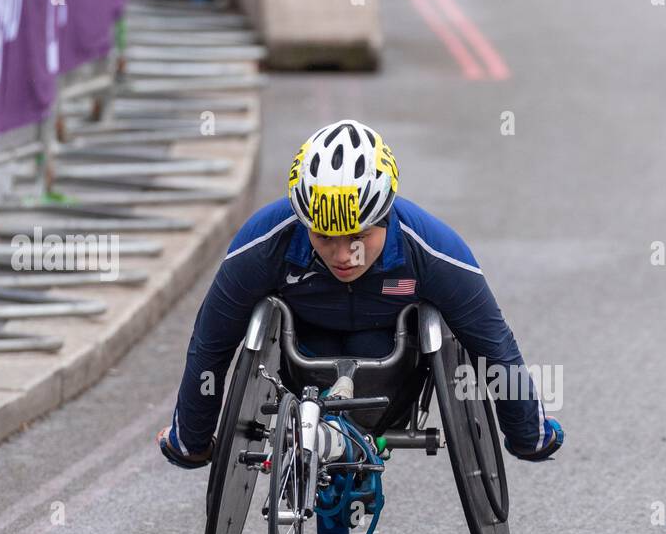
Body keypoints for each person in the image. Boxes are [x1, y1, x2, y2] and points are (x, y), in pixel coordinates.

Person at [157, 118, 563, 469]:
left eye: (358, 237)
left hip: (390, 371)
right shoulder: (265, 243)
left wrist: (528, 434)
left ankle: (348, 447)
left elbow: (492, 345)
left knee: (387, 343)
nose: (342, 254)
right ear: (303, 222)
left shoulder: (432, 248)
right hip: (304, 364)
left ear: (386, 215)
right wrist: (191, 440)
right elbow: (212, 342)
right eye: (324, 237)